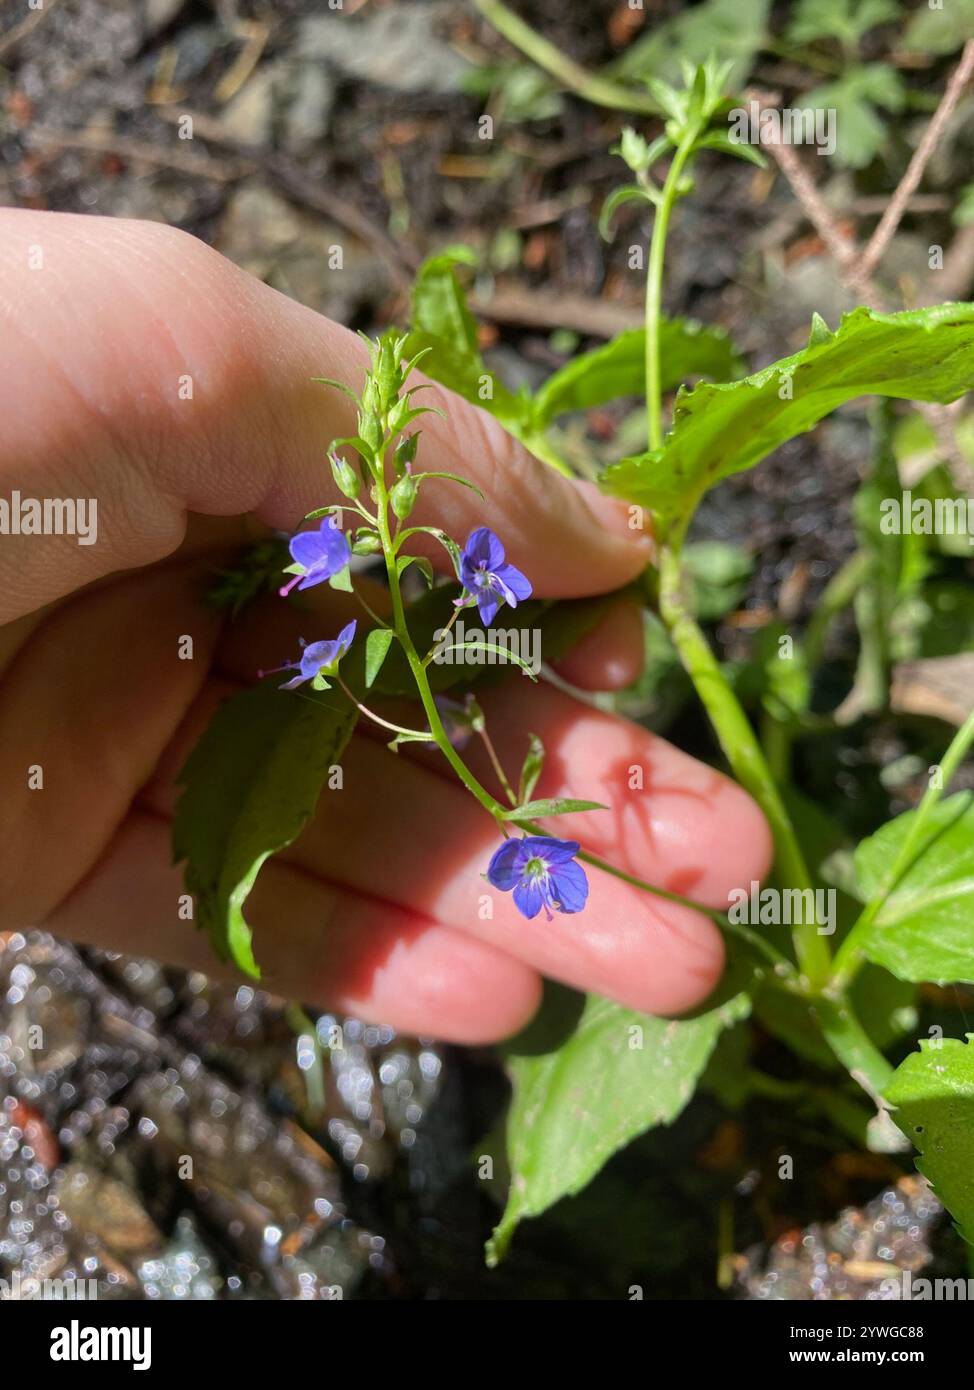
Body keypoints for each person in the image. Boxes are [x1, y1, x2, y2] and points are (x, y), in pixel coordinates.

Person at [0, 209, 771, 1043]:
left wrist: (515, 560)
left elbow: (480, 564)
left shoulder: (452, 562)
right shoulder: (333, 553)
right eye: (538, 865)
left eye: (536, 865)